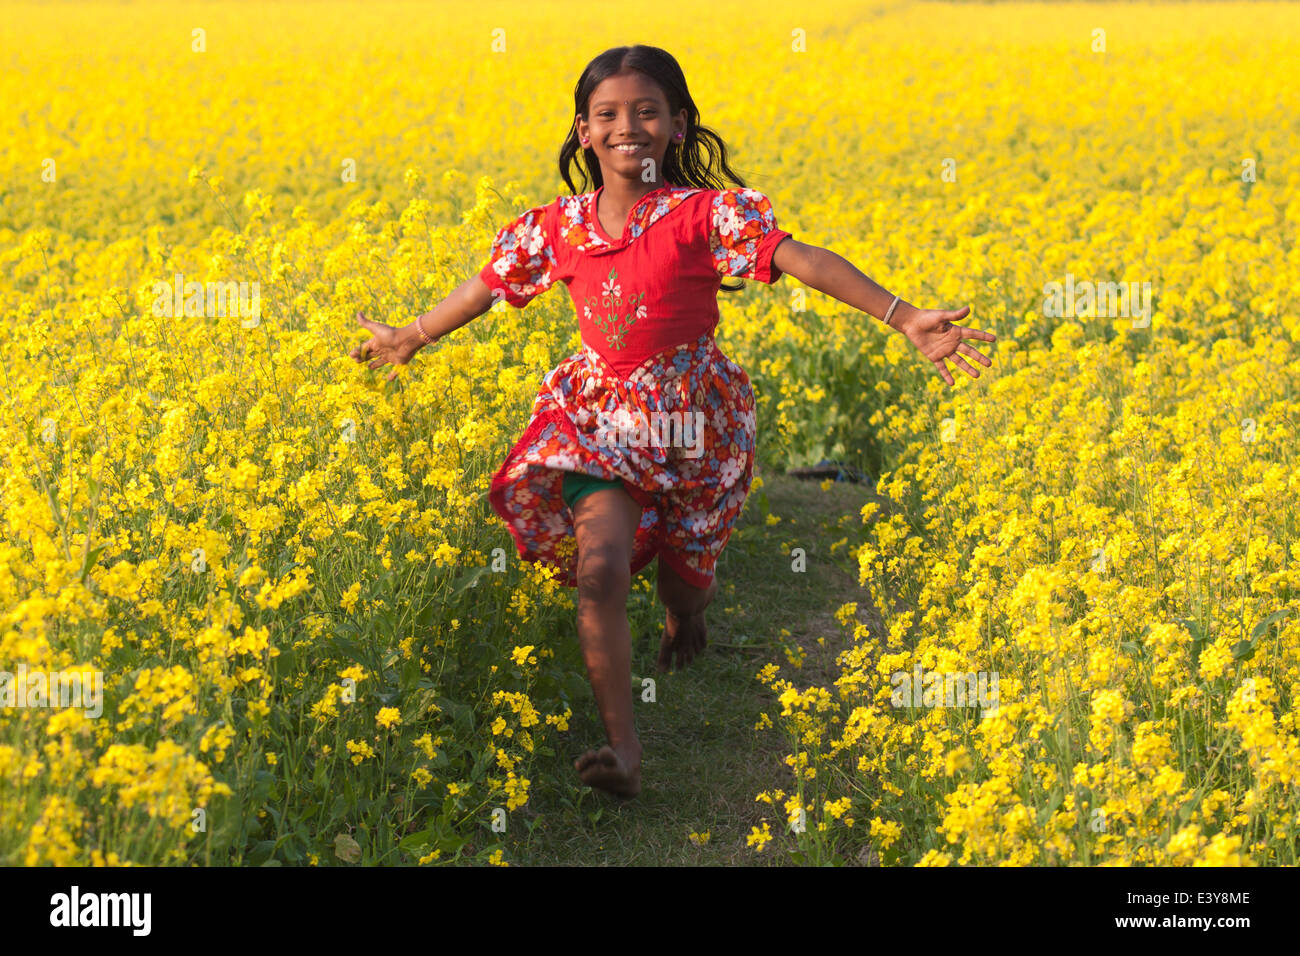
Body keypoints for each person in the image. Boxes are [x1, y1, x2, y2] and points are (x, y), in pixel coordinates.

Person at [349, 44, 996, 799]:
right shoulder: (557, 227)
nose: (630, 127)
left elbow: (802, 260)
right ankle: (625, 748)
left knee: (687, 587)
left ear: (679, 126)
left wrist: (904, 315)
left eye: (648, 111)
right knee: (599, 573)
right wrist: (410, 337)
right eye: (609, 115)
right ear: (584, 132)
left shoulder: (705, 216)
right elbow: (490, 286)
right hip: (596, 417)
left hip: (693, 425)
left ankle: (684, 611)